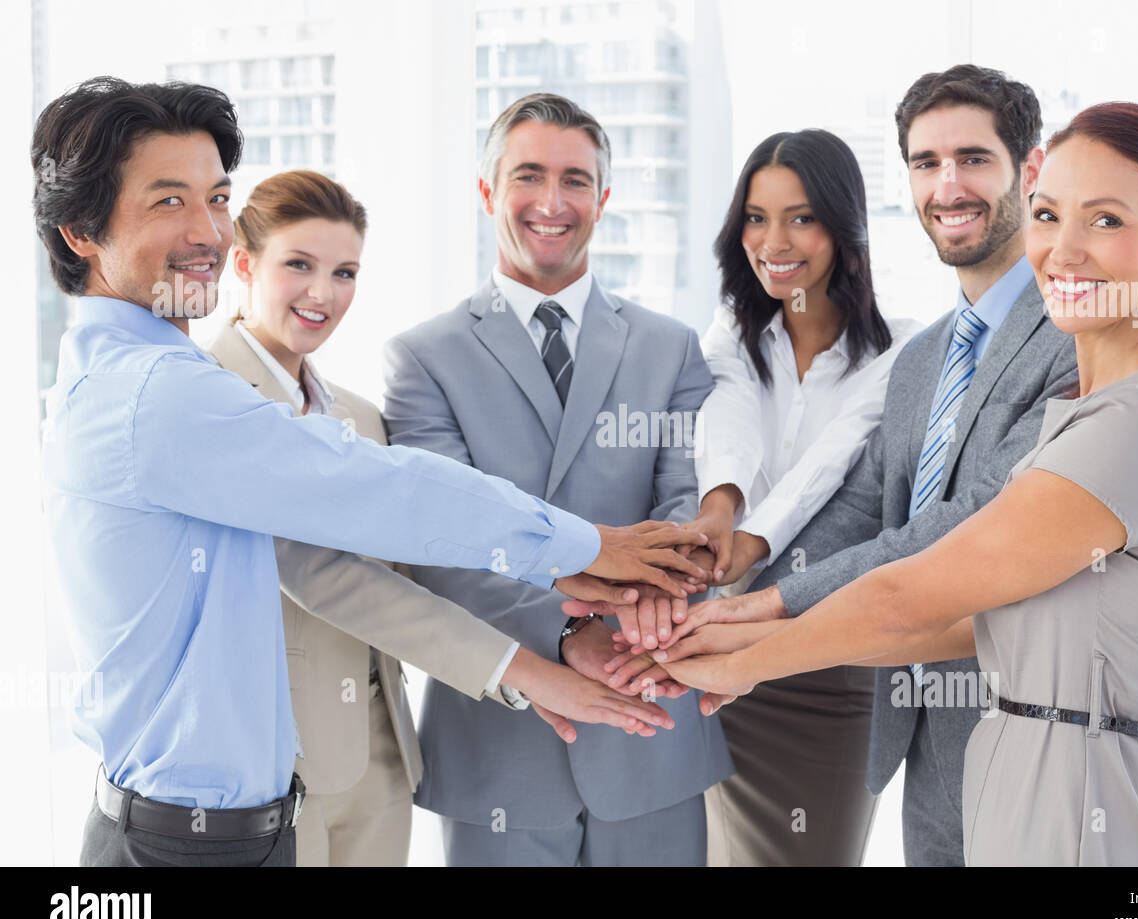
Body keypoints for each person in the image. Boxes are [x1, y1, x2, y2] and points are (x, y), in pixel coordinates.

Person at [35, 76, 705, 868]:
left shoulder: (141, 373)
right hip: (184, 844)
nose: (206, 231)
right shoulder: (163, 395)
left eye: (216, 199)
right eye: (167, 202)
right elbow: (384, 492)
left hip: (220, 826)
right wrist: (581, 548)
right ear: (81, 231)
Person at [660, 100, 1138, 866]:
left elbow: (908, 596)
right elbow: (971, 623)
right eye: (1050, 216)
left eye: (1106, 221)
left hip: (1094, 810)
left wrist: (734, 666)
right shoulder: (1096, 405)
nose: (1065, 249)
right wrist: (745, 627)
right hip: (1032, 784)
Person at [580, 65, 1078, 866]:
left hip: (1022, 724)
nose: (947, 186)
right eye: (925, 163)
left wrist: (754, 611)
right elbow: (860, 507)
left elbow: (965, 524)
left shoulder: (1074, 335)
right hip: (914, 720)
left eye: (972, 159)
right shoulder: (928, 358)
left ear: (1031, 169)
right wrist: (722, 611)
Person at [208, 169, 637, 866]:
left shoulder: (361, 416)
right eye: (299, 265)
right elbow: (324, 575)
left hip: (384, 757)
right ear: (244, 263)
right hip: (272, 765)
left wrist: (572, 618)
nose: (324, 293)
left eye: (344, 272)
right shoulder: (213, 398)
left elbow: (425, 560)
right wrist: (525, 668)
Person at [381, 92, 733, 866]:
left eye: (575, 180)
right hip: (498, 738)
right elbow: (442, 541)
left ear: (603, 199)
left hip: (652, 721)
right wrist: (568, 631)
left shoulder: (671, 347)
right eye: (528, 175)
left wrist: (643, 615)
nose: (551, 201)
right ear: (486, 192)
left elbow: (688, 509)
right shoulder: (423, 358)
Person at [604, 129, 918, 866]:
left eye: (801, 217)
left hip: (827, 664)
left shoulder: (903, 353)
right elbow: (731, 417)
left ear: (846, 227)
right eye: (755, 216)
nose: (773, 240)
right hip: (712, 649)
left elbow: (836, 459)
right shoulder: (727, 335)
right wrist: (719, 509)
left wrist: (749, 542)